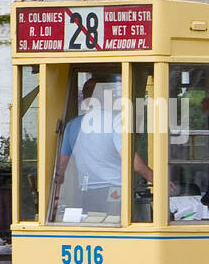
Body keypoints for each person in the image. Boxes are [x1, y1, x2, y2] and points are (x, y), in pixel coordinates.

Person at [54, 77, 168, 217]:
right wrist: (160, 182)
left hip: (87, 192)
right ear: (104, 96)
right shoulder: (115, 120)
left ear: (85, 97)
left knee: (95, 231)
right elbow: (133, 163)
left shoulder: (72, 126)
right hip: (115, 191)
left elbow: (61, 166)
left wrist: (56, 196)